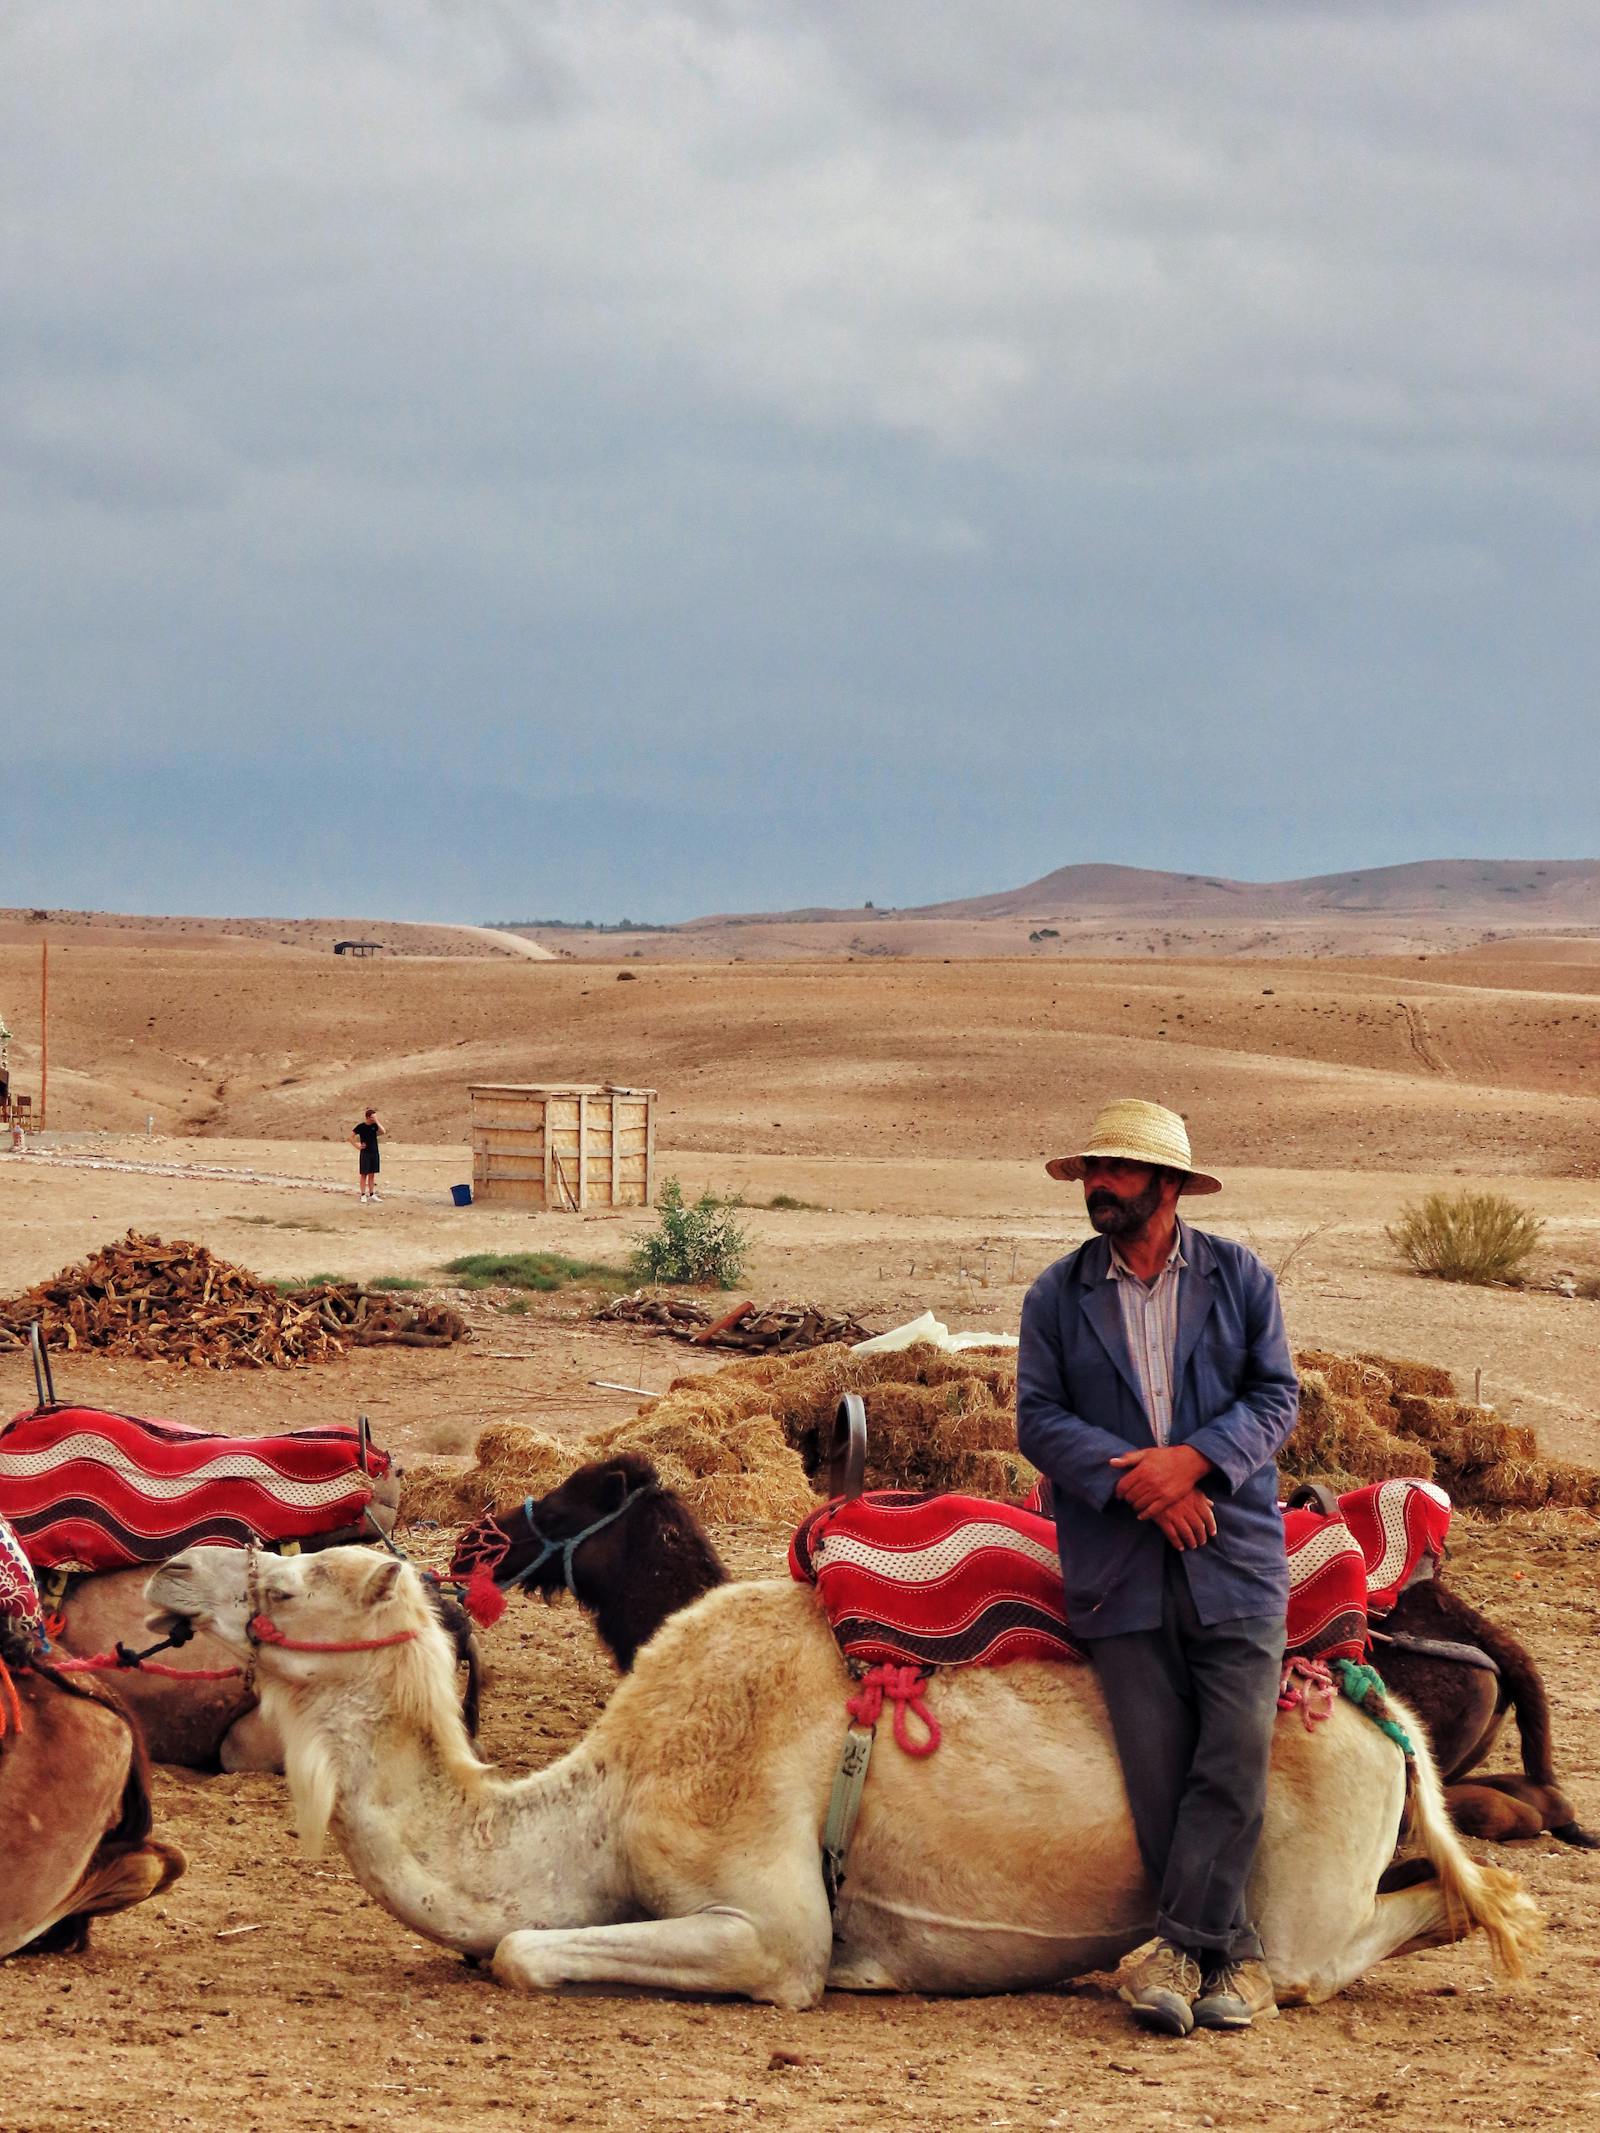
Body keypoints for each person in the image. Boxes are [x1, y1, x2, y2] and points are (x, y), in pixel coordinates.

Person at [1016, 1097, 1299, 2038]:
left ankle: (1182, 1949)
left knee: (1234, 1756)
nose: (1100, 1184)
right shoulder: (1056, 1295)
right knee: (1157, 1767)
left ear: (1169, 1185)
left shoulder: (1240, 1276)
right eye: (1093, 1169)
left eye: (1119, 1169)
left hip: (1236, 1557)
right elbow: (1038, 1420)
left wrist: (1196, 1461)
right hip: (1119, 1567)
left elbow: (1276, 1396)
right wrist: (1145, 1483)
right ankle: (1237, 1960)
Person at [351, 1108, 386, 1201]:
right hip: (365, 1153)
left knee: (372, 1174)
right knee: (364, 1174)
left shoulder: (375, 1126)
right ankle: (363, 1194)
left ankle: (372, 1194)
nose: (374, 1119)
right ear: (367, 1117)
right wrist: (357, 1146)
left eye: (375, 1117)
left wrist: (377, 1121)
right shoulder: (361, 1126)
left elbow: (383, 1131)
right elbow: (350, 1137)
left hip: (374, 1153)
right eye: (372, 1117)